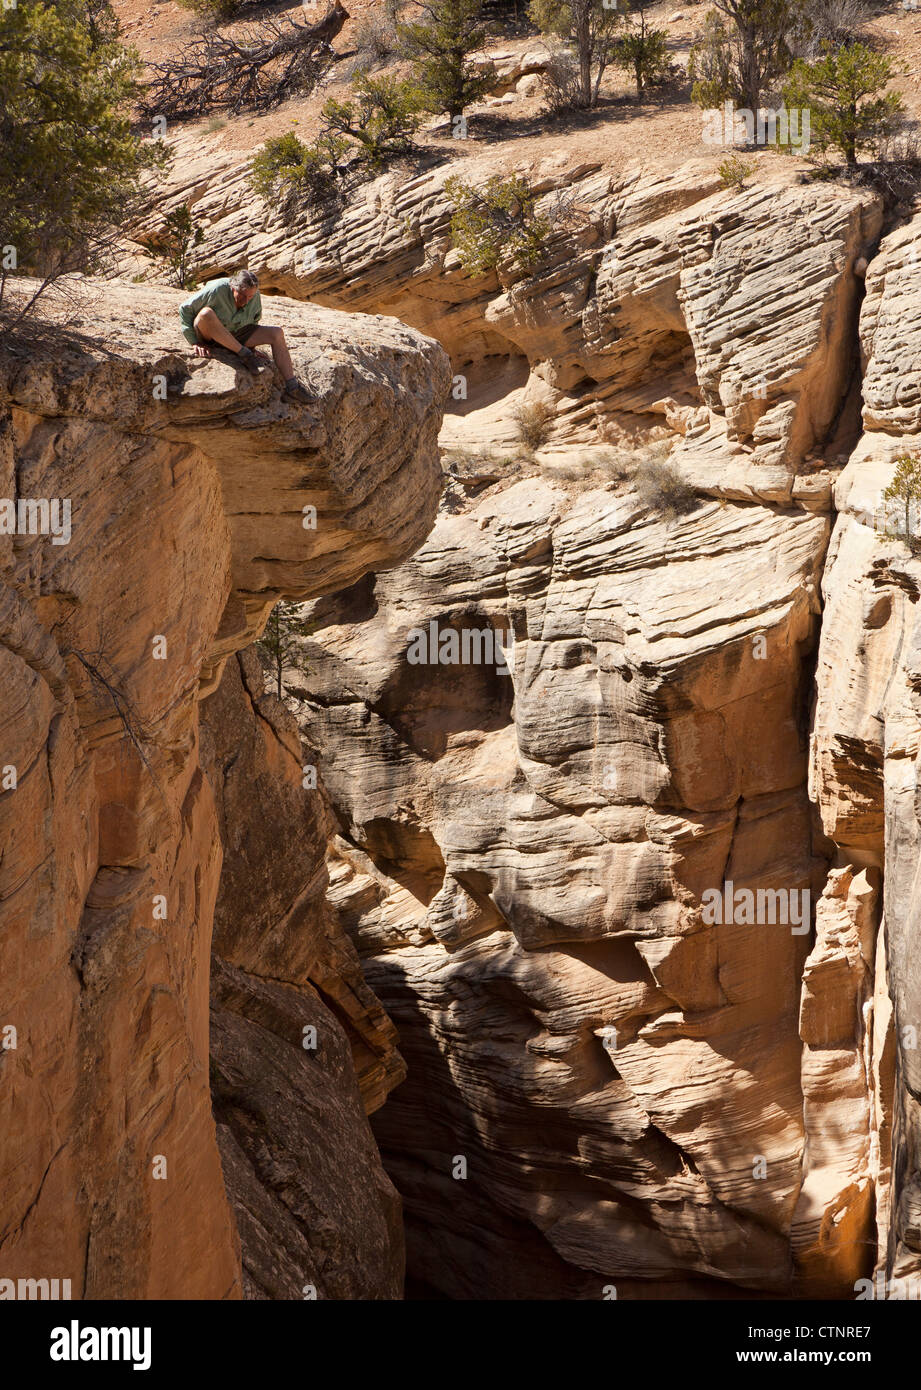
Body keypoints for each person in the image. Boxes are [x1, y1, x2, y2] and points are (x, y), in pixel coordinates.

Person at [179, 269, 311, 403]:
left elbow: (254, 321)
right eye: (242, 296)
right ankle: (244, 354)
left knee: (277, 333)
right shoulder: (217, 289)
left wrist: (252, 345)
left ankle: (293, 388)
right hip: (211, 334)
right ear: (232, 287)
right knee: (206, 314)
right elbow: (185, 309)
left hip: (237, 334)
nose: (246, 301)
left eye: (250, 297)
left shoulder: (254, 295)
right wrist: (195, 342)